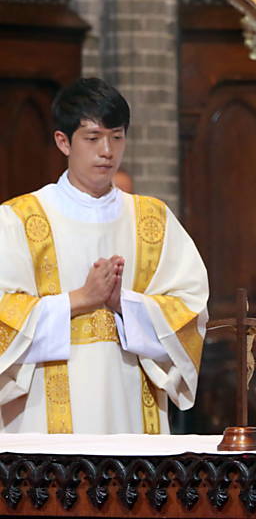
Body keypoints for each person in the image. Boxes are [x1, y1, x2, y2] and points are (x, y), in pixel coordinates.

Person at [0, 78, 208, 434]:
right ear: (63, 142)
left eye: (117, 136)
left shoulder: (152, 220)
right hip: (41, 412)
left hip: (129, 401)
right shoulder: (19, 219)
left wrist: (125, 304)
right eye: (93, 138)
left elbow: (190, 308)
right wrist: (79, 300)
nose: (107, 151)